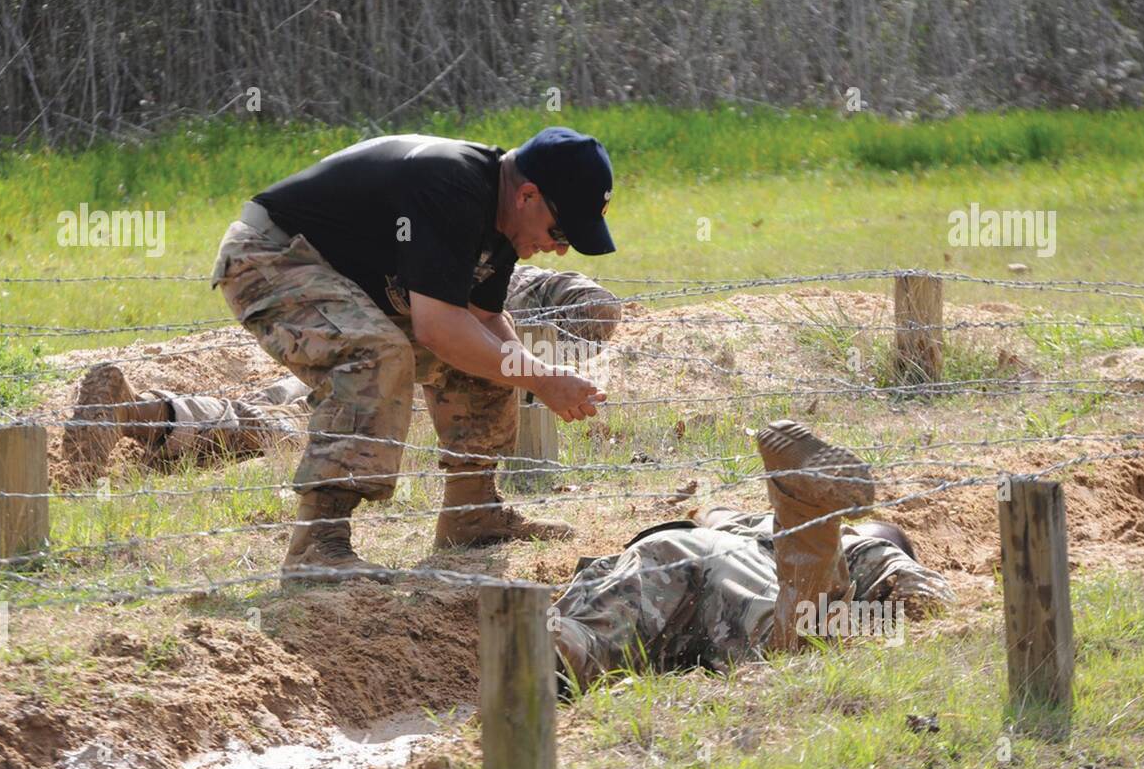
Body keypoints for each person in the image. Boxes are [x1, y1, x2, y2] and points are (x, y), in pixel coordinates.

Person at [209, 128, 617, 586]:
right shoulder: (452, 184)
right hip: (271, 257)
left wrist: (532, 370)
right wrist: (540, 379)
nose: (560, 248)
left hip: (339, 276)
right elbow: (438, 328)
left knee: (490, 352)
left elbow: (480, 320)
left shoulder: (500, 217)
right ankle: (316, 544)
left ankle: (472, 514)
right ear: (527, 195)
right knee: (376, 354)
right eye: (560, 231)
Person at [61, 265, 623, 479]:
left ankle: (141, 411)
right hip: (392, 376)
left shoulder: (473, 269)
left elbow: (592, 305)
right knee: (277, 428)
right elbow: (594, 305)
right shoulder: (502, 288)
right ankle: (145, 414)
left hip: (352, 344)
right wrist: (536, 360)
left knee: (272, 413)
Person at [551, 421, 954, 690]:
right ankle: (804, 514)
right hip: (744, 583)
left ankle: (528, 635)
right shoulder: (870, 548)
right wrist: (881, 620)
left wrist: (704, 510)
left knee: (585, 647)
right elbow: (927, 602)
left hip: (669, 553)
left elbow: (710, 513)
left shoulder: (741, 523)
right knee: (808, 636)